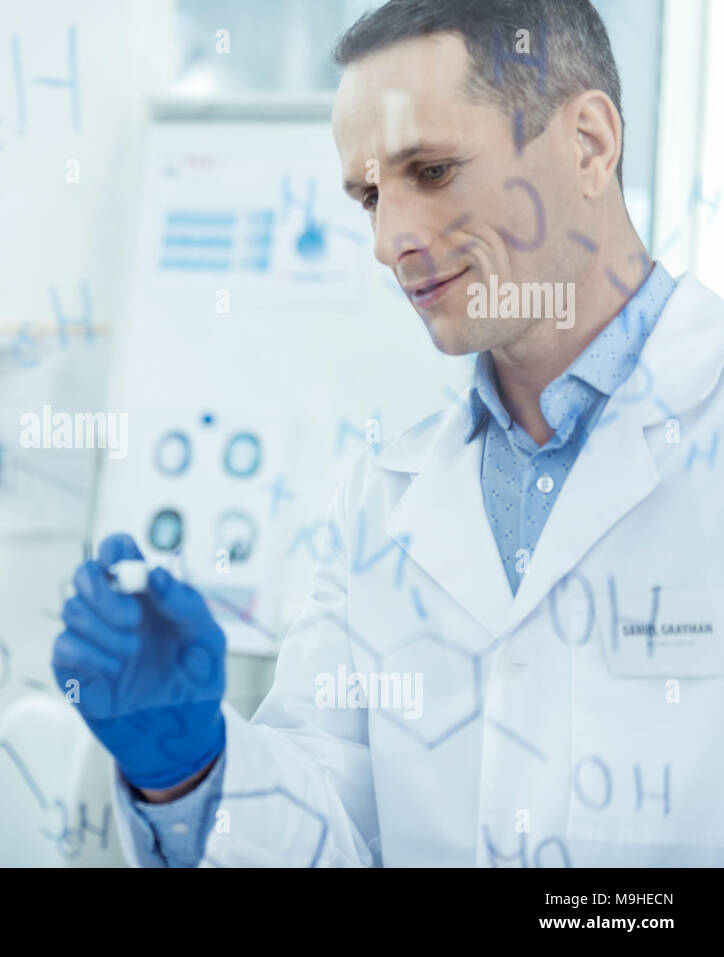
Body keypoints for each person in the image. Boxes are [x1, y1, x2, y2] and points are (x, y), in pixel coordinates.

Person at [54, 0, 724, 866]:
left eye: (434, 170)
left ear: (589, 144)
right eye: (370, 195)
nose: (388, 239)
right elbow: (329, 827)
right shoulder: (386, 497)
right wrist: (189, 767)